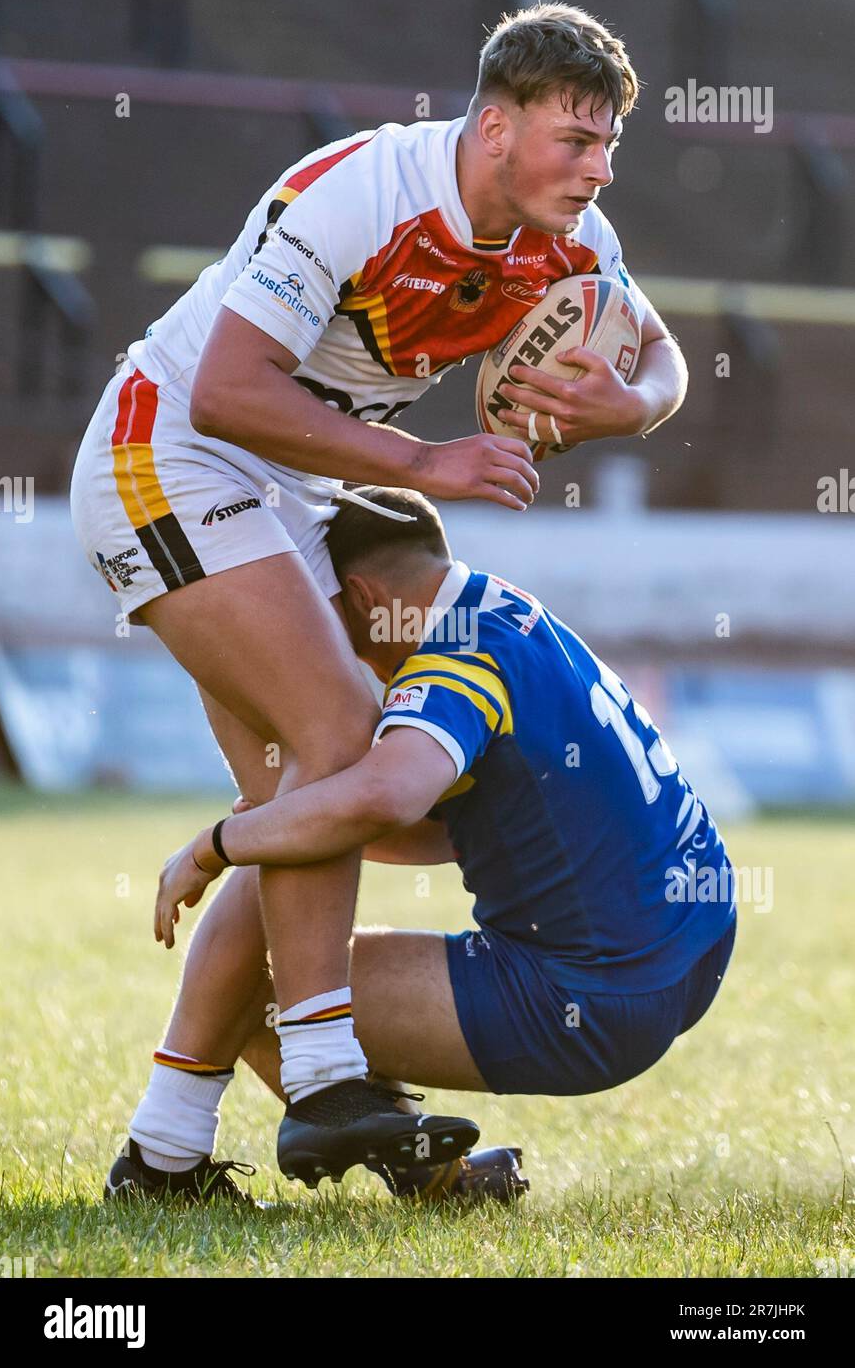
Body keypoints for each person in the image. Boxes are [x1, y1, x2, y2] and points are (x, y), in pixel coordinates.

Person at [75, 1, 688, 1197]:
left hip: (297, 485)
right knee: (337, 745)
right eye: (577, 139)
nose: (599, 168)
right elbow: (222, 393)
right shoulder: (360, 189)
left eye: (612, 144)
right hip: (170, 454)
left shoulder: (573, 232)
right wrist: (427, 462)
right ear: (496, 124)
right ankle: (328, 1082)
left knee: (310, 804)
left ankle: (164, 1154)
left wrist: (632, 405)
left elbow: (658, 360)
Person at [144, 486, 736, 1195]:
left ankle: (188, 1159)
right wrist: (289, 819)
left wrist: (215, 844)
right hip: (691, 947)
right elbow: (437, 826)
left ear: (361, 596)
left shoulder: (450, 657)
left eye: (316, 615)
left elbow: (385, 796)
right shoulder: (499, 608)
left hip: (596, 995)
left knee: (246, 988)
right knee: (284, 854)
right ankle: (396, 1161)